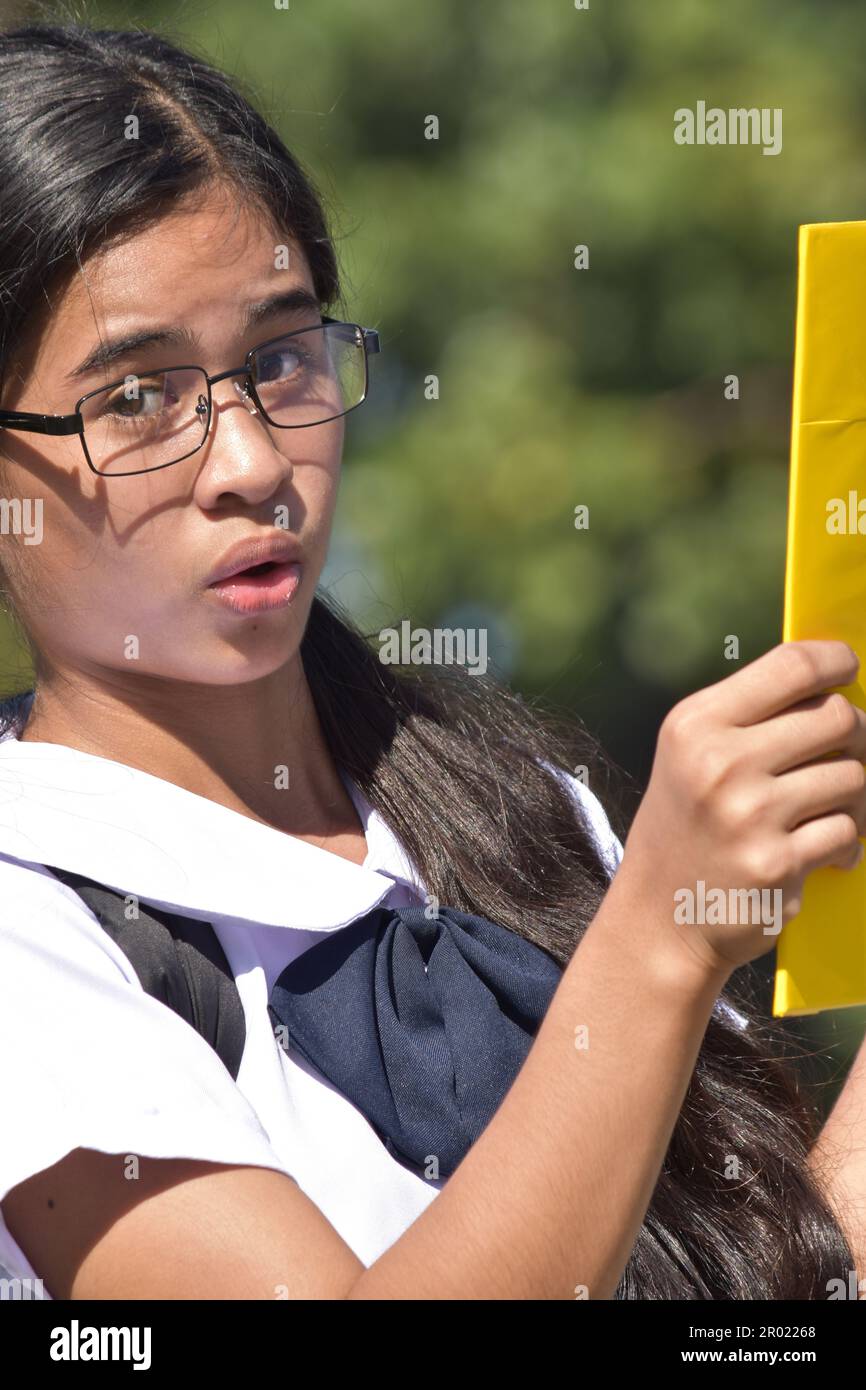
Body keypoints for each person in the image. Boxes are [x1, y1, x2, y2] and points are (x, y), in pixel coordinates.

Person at [0, 20, 864, 1302]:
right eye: (139, 397)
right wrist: (658, 945)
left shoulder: (500, 793)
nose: (247, 464)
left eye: (281, 360)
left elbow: (788, 1283)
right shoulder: (36, 927)